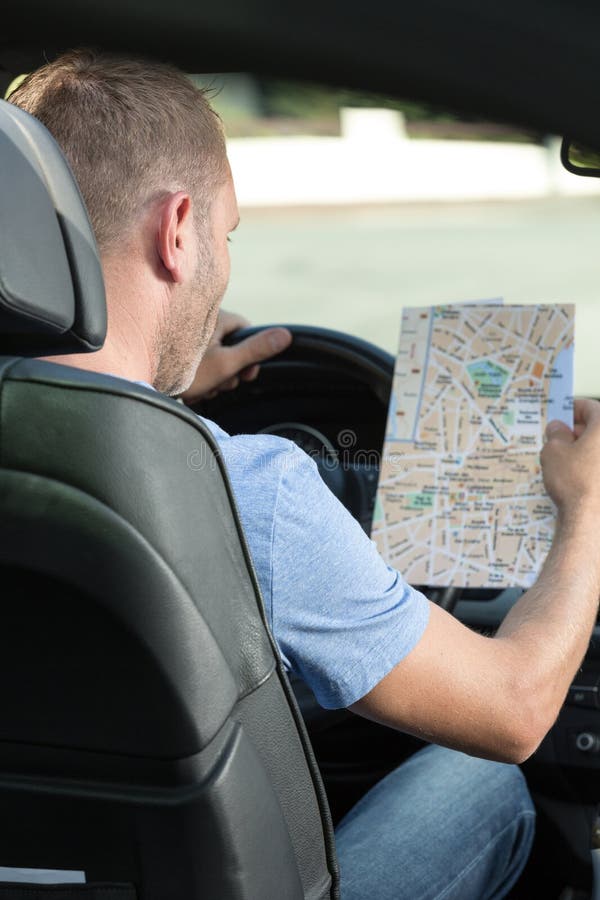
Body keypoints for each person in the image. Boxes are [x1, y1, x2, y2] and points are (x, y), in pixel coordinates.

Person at [12, 50, 600, 900]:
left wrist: (158, 386)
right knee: (485, 779)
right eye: (227, 234)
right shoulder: (243, 485)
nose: (222, 265)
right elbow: (512, 712)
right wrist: (583, 510)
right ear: (178, 231)